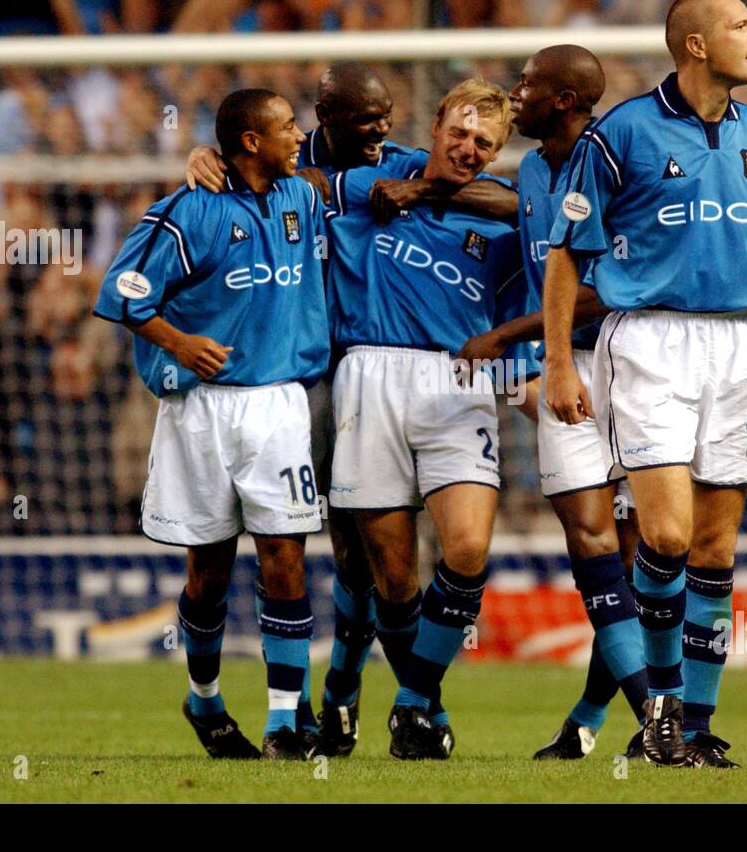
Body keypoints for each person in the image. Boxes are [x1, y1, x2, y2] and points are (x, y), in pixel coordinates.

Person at [185, 62, 516, 756]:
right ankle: (298, 696)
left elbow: (505, 201)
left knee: (397, 556)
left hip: (377, 374)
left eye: (387, 116)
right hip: (304, 375)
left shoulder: (393, 166)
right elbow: (270, 176)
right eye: (367, 119)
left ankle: (355, 692)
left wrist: (420, 185)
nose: (381, 131)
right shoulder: (290, 166)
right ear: (324, 118)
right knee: (322, 555)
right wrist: (206, 156)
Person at [543, 0, 747, 767]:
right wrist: (560, 359)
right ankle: (662, 710)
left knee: (715, 548)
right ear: (695, 46)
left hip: (742, 345)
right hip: (651, 341)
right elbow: (567, 250)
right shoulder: (621, 134)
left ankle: (693, 725)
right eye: (741, 27)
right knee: (664, 535)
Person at [94, 88, 330, 760]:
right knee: (209, 570)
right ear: (251, 142)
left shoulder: (304, 196)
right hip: (200, 407)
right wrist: (177, 341)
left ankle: (286, 722)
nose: (299, 135)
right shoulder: (188, 210)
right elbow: (122, 291)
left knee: (285, 554)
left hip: (279, 401)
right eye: (287, 127)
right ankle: (204, 698)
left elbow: (363, 159)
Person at [324, 77, 528, 759]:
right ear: (434, 123)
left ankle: (411, 696)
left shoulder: (502, 220)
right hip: (368, 373)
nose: (468, 149)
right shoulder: (373, 174)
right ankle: (415, 710)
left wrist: (525, 374)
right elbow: (294, 180)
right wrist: (207, 162)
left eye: (485, 143)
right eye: (459, 133)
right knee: (393, 575)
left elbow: (530, 209)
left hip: (455, 380)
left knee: (467, 549)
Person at [455, 45, 649, 761]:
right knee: (592, 543)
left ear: (565, 99)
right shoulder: (534, 169)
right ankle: (657, 716)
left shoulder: (618, 164)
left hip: (635, 363)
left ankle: (593, 719)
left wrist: (502, 334)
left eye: (530, 83)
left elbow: (610, 288)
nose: (517, 91)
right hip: (565, 366)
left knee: (644, 559)